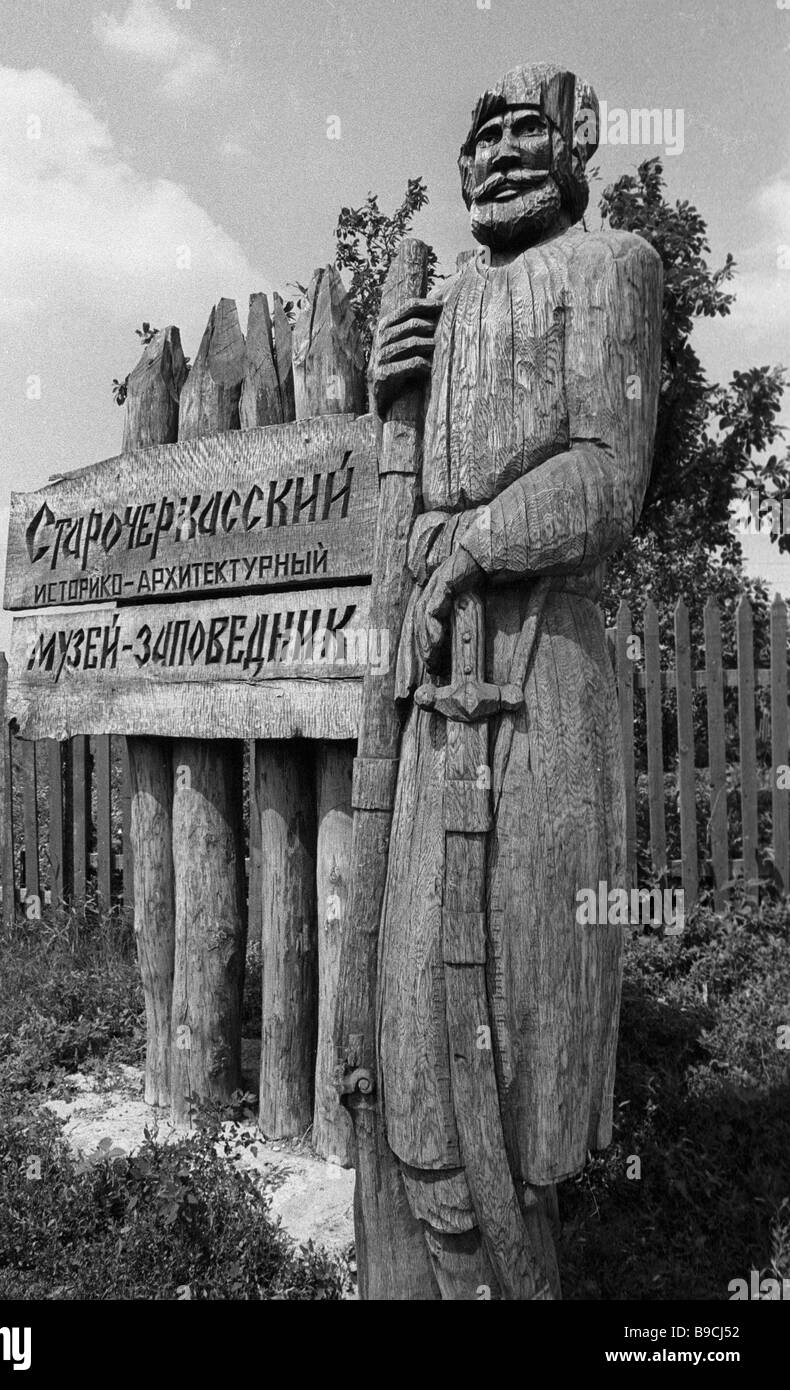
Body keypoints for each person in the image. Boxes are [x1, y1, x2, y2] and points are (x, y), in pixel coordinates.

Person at [370, 62, 663, 1298]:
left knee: (518, 1055)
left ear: (582, 138)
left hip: (543, 691)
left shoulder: (612, 268)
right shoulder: (447, 304)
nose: (493, 152)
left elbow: (606, 471)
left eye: (522, 126)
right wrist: (392, 402)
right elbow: (406, 519)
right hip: (435, 697)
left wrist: (480, 543)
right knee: (412, 1052)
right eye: (475, 133)